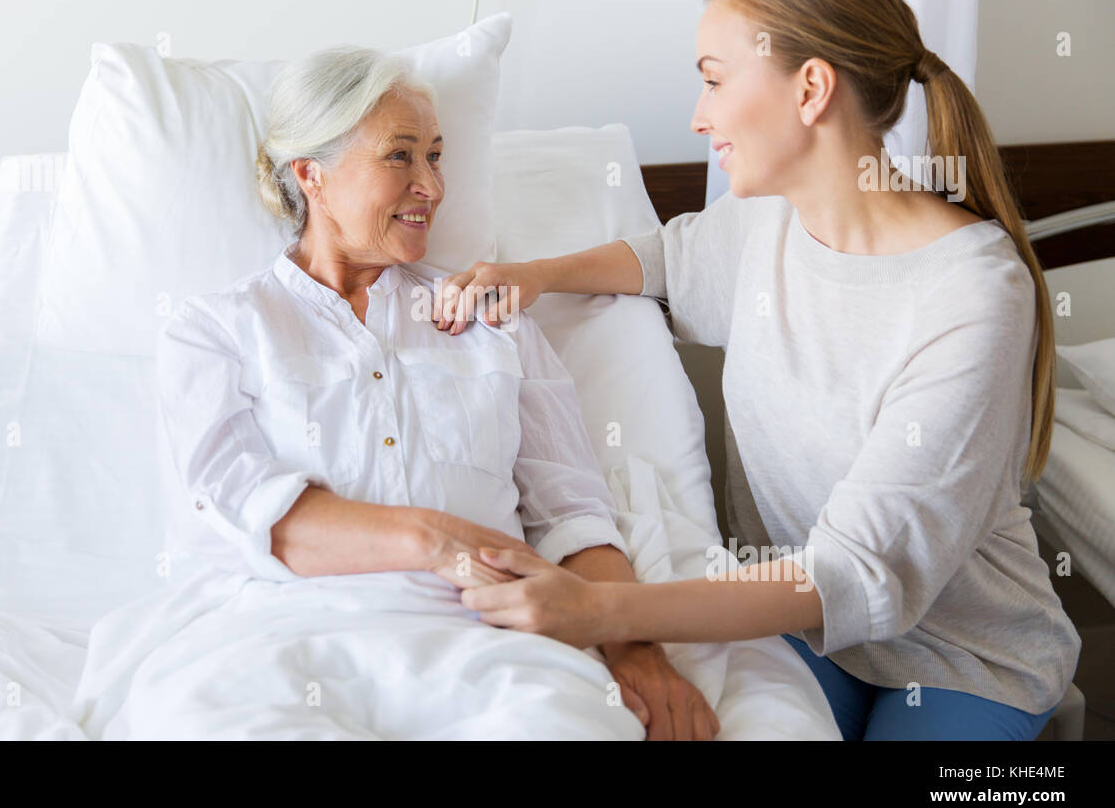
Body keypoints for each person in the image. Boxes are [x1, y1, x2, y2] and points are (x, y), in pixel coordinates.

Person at [432, 0, 1081, 741]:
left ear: (811, 89)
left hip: (963, 659)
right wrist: (535, 272)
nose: (699, 114)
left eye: (713, 78)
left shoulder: (973, 297)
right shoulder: (771, 215)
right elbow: (669, 258)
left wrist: (600, 609)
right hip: (809, 635)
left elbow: (856, 571)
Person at [82, 45, 720, 740]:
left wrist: (637, 649)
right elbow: (263, 515)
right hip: (277, 637)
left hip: (489, 643)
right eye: (401, 156)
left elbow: (574, 514)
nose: (433, 186)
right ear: (312, 176)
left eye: (437, 157)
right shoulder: (216, 332)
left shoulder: (494, 323)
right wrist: (432, 540)